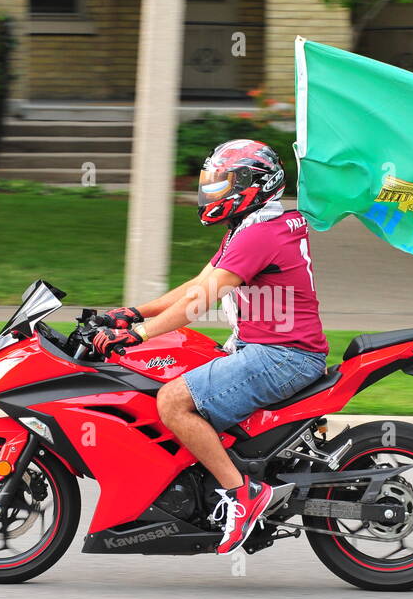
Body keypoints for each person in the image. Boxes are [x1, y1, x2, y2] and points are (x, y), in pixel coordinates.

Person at [93, 139, 329, 554]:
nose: (212, 192)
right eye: (212, 183)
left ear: (251, 184)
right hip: (268, 349)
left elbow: (200, 302)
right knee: (171, 368)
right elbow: (197, 286)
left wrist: (141, 333)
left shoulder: (260, 234)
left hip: (281, 357)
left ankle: (242, 494)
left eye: (222, 183)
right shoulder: (256, 226)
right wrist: (132, 313)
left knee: (171, 402)